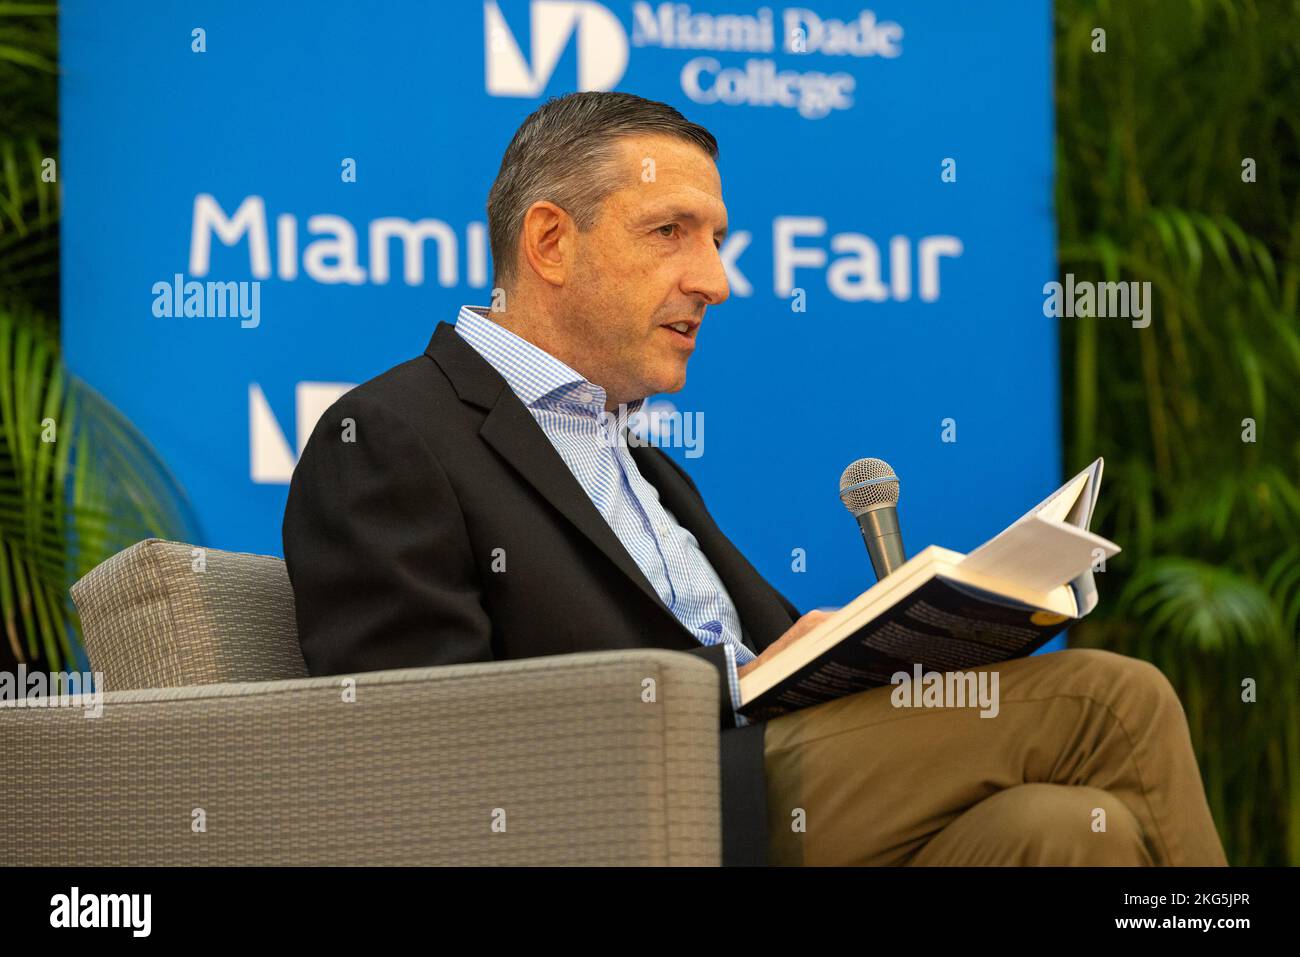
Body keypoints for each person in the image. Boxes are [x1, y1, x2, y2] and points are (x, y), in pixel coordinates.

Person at [282, 90, 1227, 866]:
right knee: (1116, 700)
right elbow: (411, 745)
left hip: (769, 794)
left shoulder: (645, 466)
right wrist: (725, 686)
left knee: (1060, 834)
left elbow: (773, 667)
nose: (716, 278)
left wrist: (869, 646)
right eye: (670, 232)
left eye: (717, 239)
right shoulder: (390, 435)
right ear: (550, 242)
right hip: (646, 818)